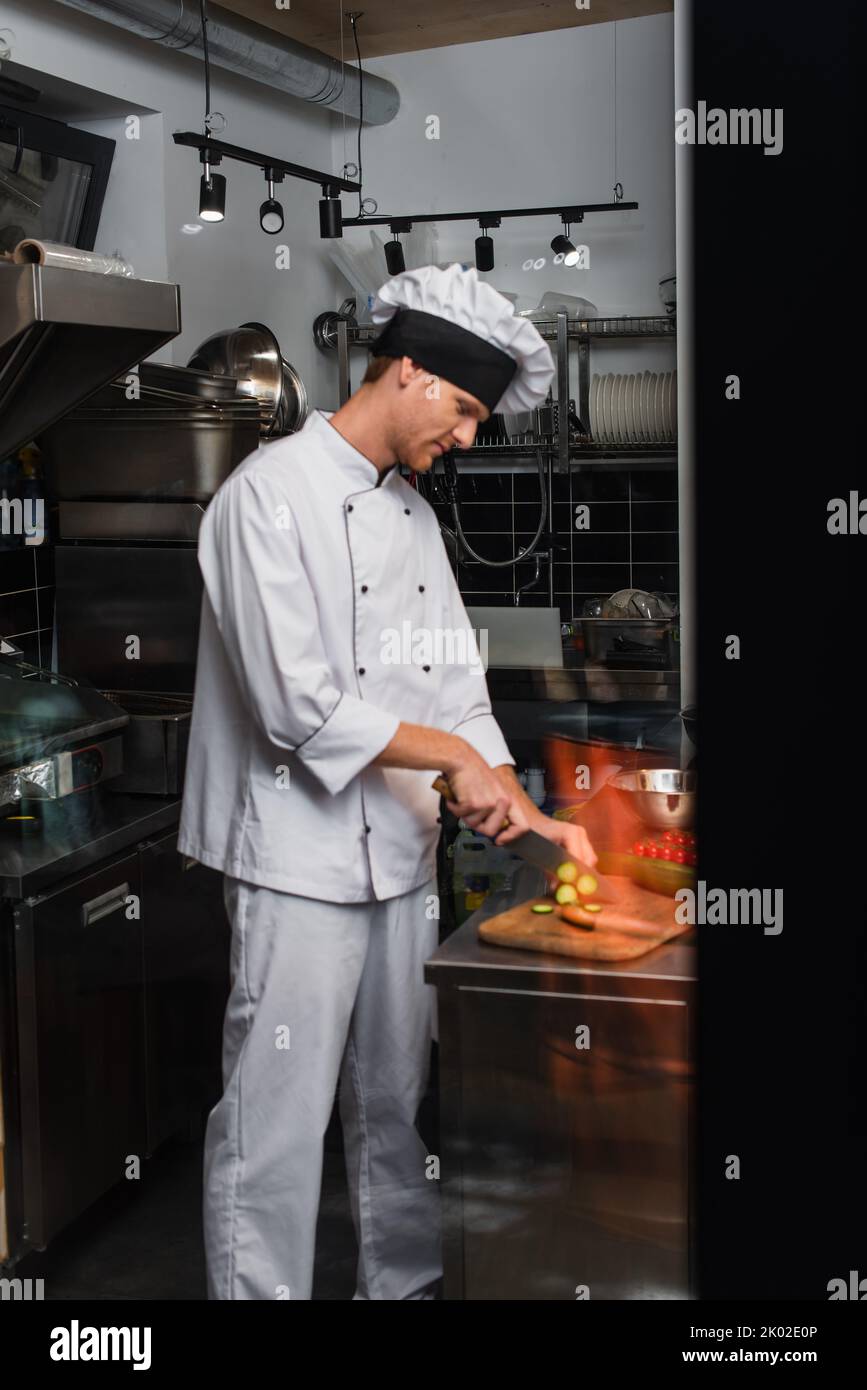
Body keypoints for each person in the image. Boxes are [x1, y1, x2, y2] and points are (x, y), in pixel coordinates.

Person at [178, 263, 597, 1300]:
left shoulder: (410, 517)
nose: (465, 437)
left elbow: (455, 688)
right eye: (460, 410)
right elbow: (300, 708)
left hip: (400, 864)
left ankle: (399, 1287)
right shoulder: (264, 499)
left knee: (393, 1105)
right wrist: (455, 762)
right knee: (276, 1115)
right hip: (294, 863)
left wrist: (522, 802)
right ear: (406, 370)